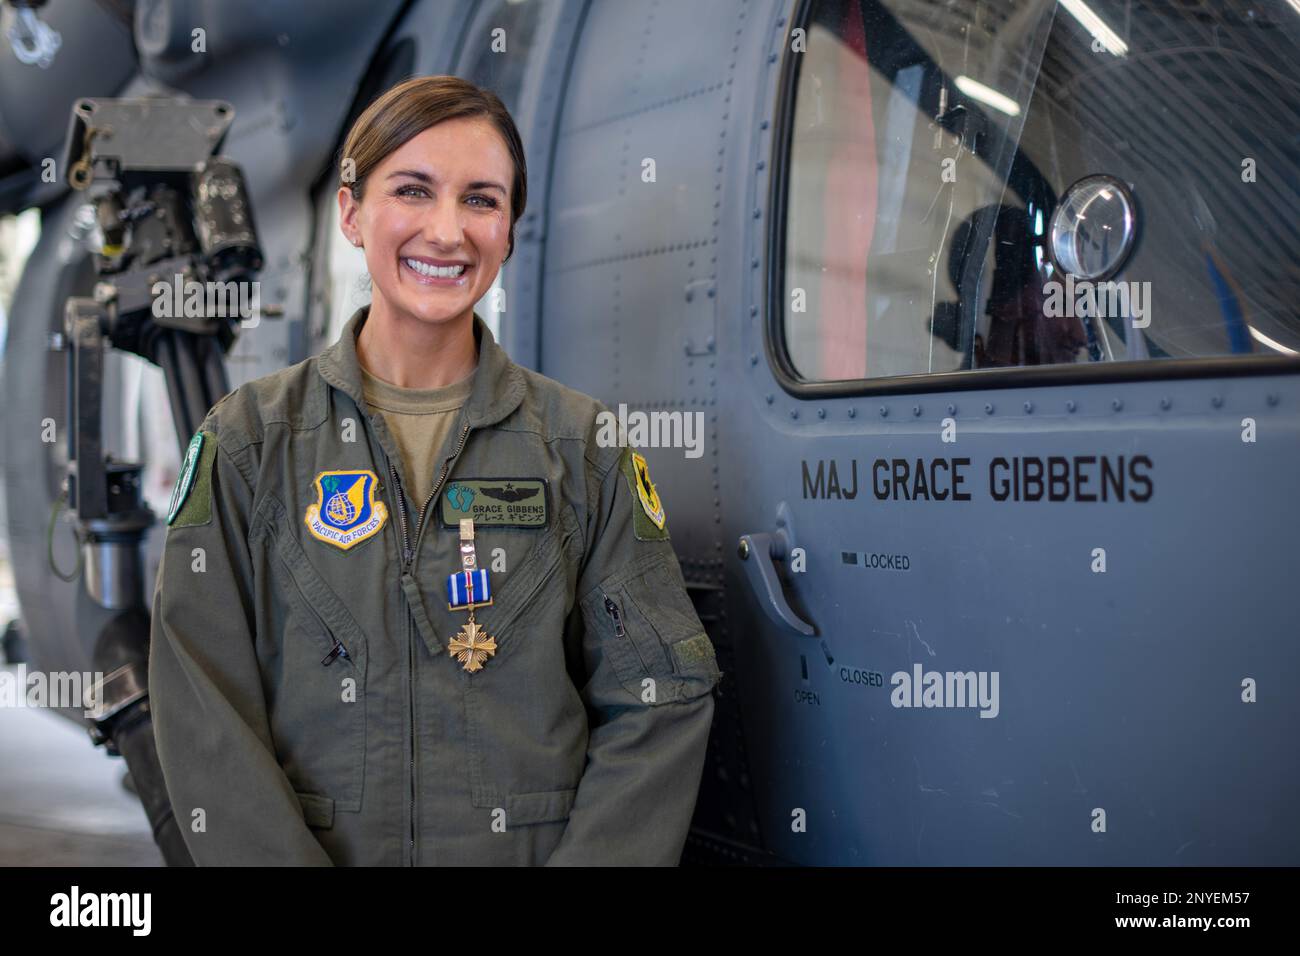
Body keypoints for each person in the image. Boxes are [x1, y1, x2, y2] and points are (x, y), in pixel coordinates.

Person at [148, 75, 722, 866]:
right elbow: (201, 699)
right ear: (351, 213)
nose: (448, 232)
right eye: (413, 190)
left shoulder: (583, 449)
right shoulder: (250, 442)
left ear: (511, 230)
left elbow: (659, 695)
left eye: (482, 200)